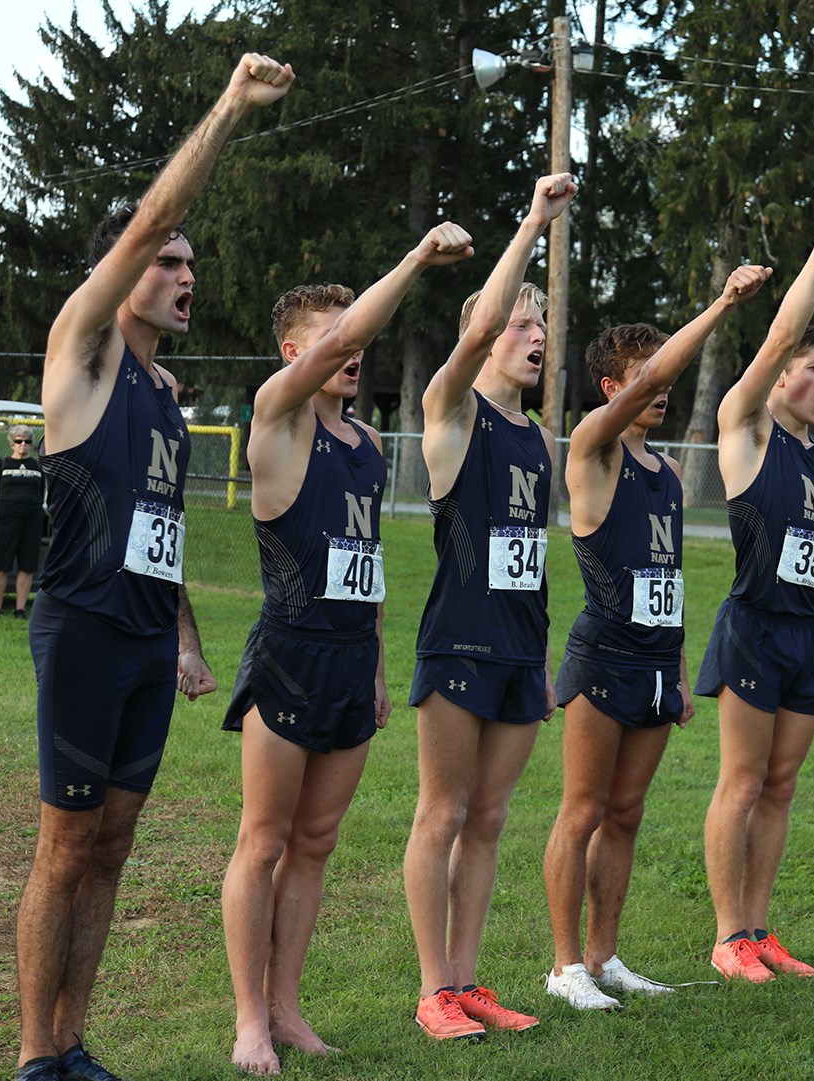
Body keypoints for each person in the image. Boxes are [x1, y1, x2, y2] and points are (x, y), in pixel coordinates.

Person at [14, 54, 293, 1081]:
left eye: (187, 262)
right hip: (81, 629)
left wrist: (183, 637)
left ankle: (76, 1041)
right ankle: (36, 1054)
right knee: (64, 847)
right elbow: (145, 219)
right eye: (167, 261)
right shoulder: (79, 353)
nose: (184, 274)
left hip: (142, 643)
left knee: (115, 846)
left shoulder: (163, 392)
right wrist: (225, 107)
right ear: (122, 272)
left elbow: (159, 531)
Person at [219, 223, 474, 1073]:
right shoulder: (277, 419)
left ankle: (288, 1007)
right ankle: (249, 1017)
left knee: (317, 841)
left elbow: (363, 575)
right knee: (264, 838)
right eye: (334, 334)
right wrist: (412, 260)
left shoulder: (366, 450)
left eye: (353, 335)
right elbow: (355, 331)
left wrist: (372, 667)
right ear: (297, 351)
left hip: (346, 661)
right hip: (286, 655)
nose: (352, 349)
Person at [543, 264, 772, 1010]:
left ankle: (606, 956)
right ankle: (565, 964)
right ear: (613, 388)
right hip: (601, 657)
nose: (662, 386)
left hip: (651, 663)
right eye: (645, 374)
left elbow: (668, 579)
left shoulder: (669, 472)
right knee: (581, 811)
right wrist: (721, 306)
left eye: (665, 374)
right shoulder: (592, 449)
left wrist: (676, 672)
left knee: (626, 814)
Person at [403, 173, 576, 1040]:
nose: (535, 334)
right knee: (443, 812)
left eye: (542, 325)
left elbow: (532, 560)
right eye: (522, 322)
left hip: (517, 651)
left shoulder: (538, 438)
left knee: (492, 817)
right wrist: (534, 222)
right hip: (456, 645)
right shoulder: (453, 410)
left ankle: (468, 981)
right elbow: (476, 326)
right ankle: (433, 987)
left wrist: (541, 658)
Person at [696, 209, 814, 983]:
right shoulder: (747, 429)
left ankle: (760, 928)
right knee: (742, 780)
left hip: (810, 634)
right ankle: (728, 934)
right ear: (778, 378)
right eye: (813, 370)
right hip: (754, 629)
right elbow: (775, 337)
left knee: (782, 784)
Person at [0, 423, 46, 617]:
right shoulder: (3, 464)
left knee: (27, 565)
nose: (23, 444)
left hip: (32, 522)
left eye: (27, 441)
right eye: (19, 441)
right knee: (1, 565)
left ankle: (20, 608)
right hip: (7, 521)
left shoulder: (37, 466)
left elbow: (42, 492)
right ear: (12, 443)